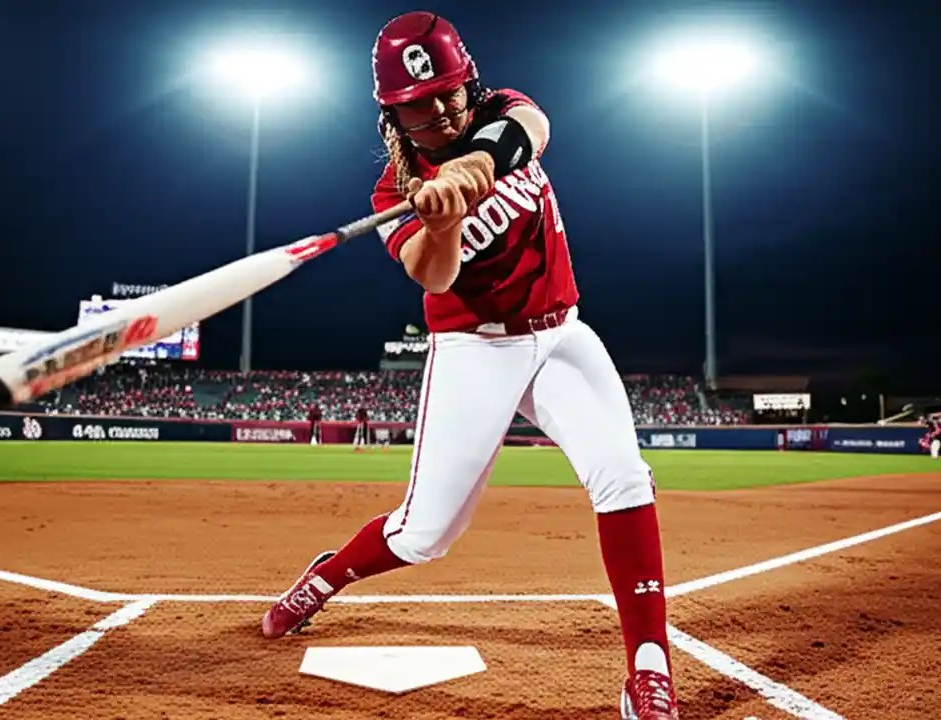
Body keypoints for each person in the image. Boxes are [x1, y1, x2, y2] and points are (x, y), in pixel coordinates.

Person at [260, 13, 678, 719]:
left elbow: (532, 126)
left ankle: (648, 665)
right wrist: (443, 218)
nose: (443, 108)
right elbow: (435, 276)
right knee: (426, 537)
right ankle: (327, 576)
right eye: (422, 103)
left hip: (561, 335)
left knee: (623, 475)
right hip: (476, 350)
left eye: (451, 91)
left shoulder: (500, 113)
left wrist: (476, 165)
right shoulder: (392, 197)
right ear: (394, 113)